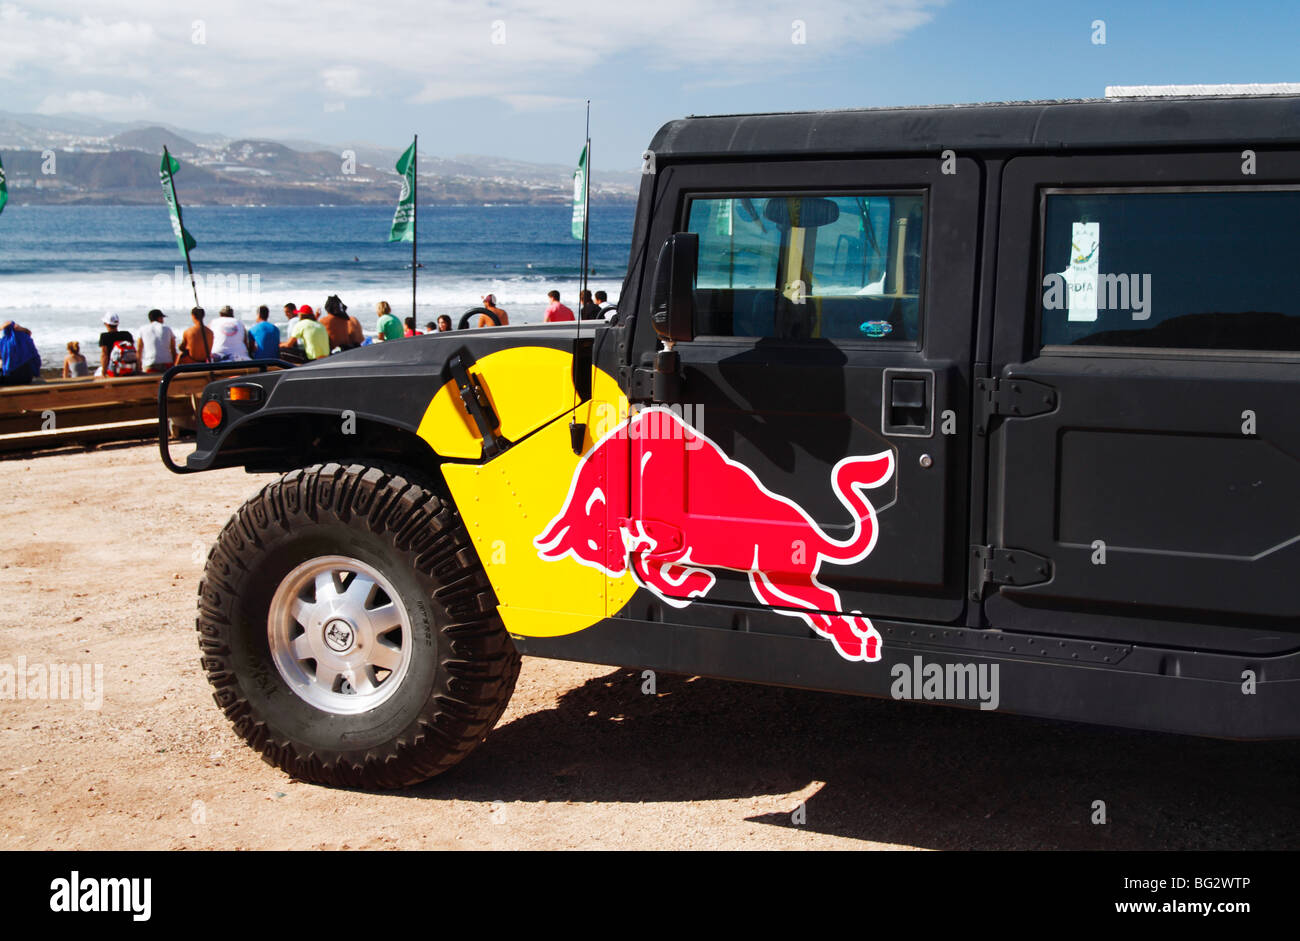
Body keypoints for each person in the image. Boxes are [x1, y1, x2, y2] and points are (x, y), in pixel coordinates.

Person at [0, 321, 41, 386]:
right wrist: (23, 329)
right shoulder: (27, 340)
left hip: (9, 379)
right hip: (26, 379)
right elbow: (36, 360)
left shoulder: (4, 343)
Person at [137, 309, 177, 373]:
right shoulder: (167, 328)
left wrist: (138, 366)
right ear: (159, 318)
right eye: (162, 318)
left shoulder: (142, 329)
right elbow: (173, 348)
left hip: (150, 363)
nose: (163, 320)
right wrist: (175, 365)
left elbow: (139, 349)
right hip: (167, 363)